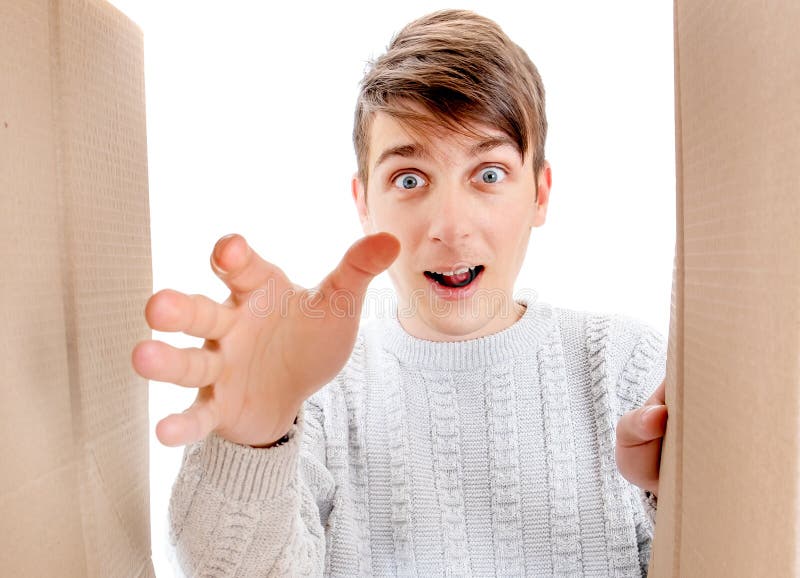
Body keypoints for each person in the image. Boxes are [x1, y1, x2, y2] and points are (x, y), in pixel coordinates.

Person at [133, 9, 668, 577]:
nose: (450, 226)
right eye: (409, 179)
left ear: (540, 192)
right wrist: (251, 445)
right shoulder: (318, 395)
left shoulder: (624, 369)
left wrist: (676, 498)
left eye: (488, 174)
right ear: (364, 203)